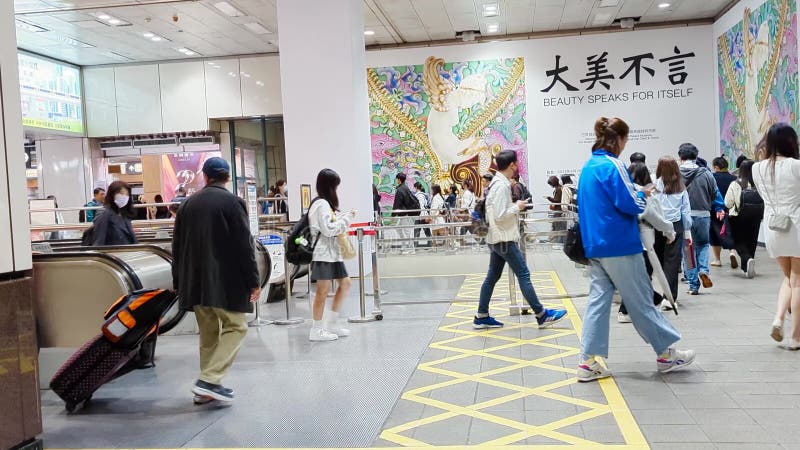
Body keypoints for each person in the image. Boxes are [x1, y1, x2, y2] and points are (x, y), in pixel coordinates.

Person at [576, 117, 694, 382]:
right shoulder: (612, 165)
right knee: (641, 300)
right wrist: (642, 194)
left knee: (598, 302)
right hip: (620, 244)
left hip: (596, 245)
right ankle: (666, 354)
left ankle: (588, 361)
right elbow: (630, 204)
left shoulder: (588, 167)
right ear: (618, 140)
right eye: (625, 140)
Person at [172, 157, 260, 404]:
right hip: (224, 281)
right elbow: (245, 246)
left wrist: (179, 280)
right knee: (236, 326)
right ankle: (209, 379)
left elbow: (177, 246)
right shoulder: (233, 203)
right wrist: (254, 280)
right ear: (227, 177)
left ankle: (207, 389)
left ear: (205, 176)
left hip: (195, 282)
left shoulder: (187, 205)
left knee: (208, 333)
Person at [473, 150, 567, 329]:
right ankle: (541, 315)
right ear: (511, 165)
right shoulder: (501, 186)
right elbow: (501, 215)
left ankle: (482, 315)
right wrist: (518, 206)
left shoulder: (496, 183)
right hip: (504, 239)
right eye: (516, 163)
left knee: (492, 276)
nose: (517, 166)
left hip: (496, 238)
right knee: (523, 274)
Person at [752, 123, 800, 349]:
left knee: (788, 278)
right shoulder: (795, 166)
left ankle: (778, 318)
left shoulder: (757, 168)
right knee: (797, 281)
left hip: (773, 228)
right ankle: (796, 337)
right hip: (797, 226)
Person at [617, 162, 677, 323]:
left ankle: (650, 302)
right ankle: (627, 310)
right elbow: (658, 218)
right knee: (641, 277)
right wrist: (669, 232)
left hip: (623, 241)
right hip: (645, 242)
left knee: (637, 277)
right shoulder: (648, 194)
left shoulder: (624, 193)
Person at [307, 169, 356, 341]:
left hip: (331, 253)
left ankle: (331, 323)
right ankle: (317, 329)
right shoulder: (321, 204)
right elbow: (328, 230)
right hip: (323, 254)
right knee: (322, 291)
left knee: (345, 284)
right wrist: (347, 219)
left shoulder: (323, 204)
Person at [679, 143, 724, 295]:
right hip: (703, 215)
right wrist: (718, 207)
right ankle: (703, 270)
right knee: (703, 244)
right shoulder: (706, 173)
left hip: (684, 217)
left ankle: (693, 285)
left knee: (688, 250)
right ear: (696, 156)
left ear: (681, 157)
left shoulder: (676, 174)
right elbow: (715, 193)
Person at [653, 156, 693, 309]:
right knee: (672, 262)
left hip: (657, 226)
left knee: (658, 262)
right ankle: (670, 298)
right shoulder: (681, 186)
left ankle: (654, 295)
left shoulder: (656, 184)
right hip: (675, 227)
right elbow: (686, 210)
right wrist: (687, 230)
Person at [725, 159, 763, 279]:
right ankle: (746, 268)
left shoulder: (735, 183)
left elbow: (728, 202)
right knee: (752, 240)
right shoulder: (759, 183)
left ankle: (747, 259)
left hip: (738, 216)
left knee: (738, 241)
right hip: (756, 216)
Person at [710, 156, 738, 268]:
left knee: (714, 235)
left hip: (715, 210)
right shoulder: (734, 178)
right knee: (730, 231)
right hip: (730, 210)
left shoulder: (712, 177)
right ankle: (732, 252)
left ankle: (717, 260)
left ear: (716, 167)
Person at [91, 181, 137, 246]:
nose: (124, 197)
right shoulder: (104, 213)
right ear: (112, 194)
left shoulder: (123, 213)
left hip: (128, 253)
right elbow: (98, 242)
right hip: (112, 254)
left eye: (127, 195)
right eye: (121, 193)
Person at [391, 173, 420, 254]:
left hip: (405, 214)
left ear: (399, 180)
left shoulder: (400, 190)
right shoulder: (405, 187)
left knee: (407, 232)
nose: (396, 180)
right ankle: (404, 245)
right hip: (405, 213)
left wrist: (393, 215)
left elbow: (396, 203)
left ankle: (411, 249)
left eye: (397, 179)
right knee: (398, 228)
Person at [545, 176, 565, 243]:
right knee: (556, 226)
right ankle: (554, 241)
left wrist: (549, 198)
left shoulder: (559, 189)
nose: (550, 185)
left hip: (559, 211)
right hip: (558, 210)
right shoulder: (559, 188)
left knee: (557, 226)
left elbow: (557, 201)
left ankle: (557, 242)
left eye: (550, 184)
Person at [413, 181, 432, 247]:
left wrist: (421, 216)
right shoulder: (422, 195)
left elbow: (421, 206)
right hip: (422, 215)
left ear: (416, 187)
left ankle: (415, 245)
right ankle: (429, 244)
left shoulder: (420, 195)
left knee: (418, 231)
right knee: (425, 230)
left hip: (421, 215)